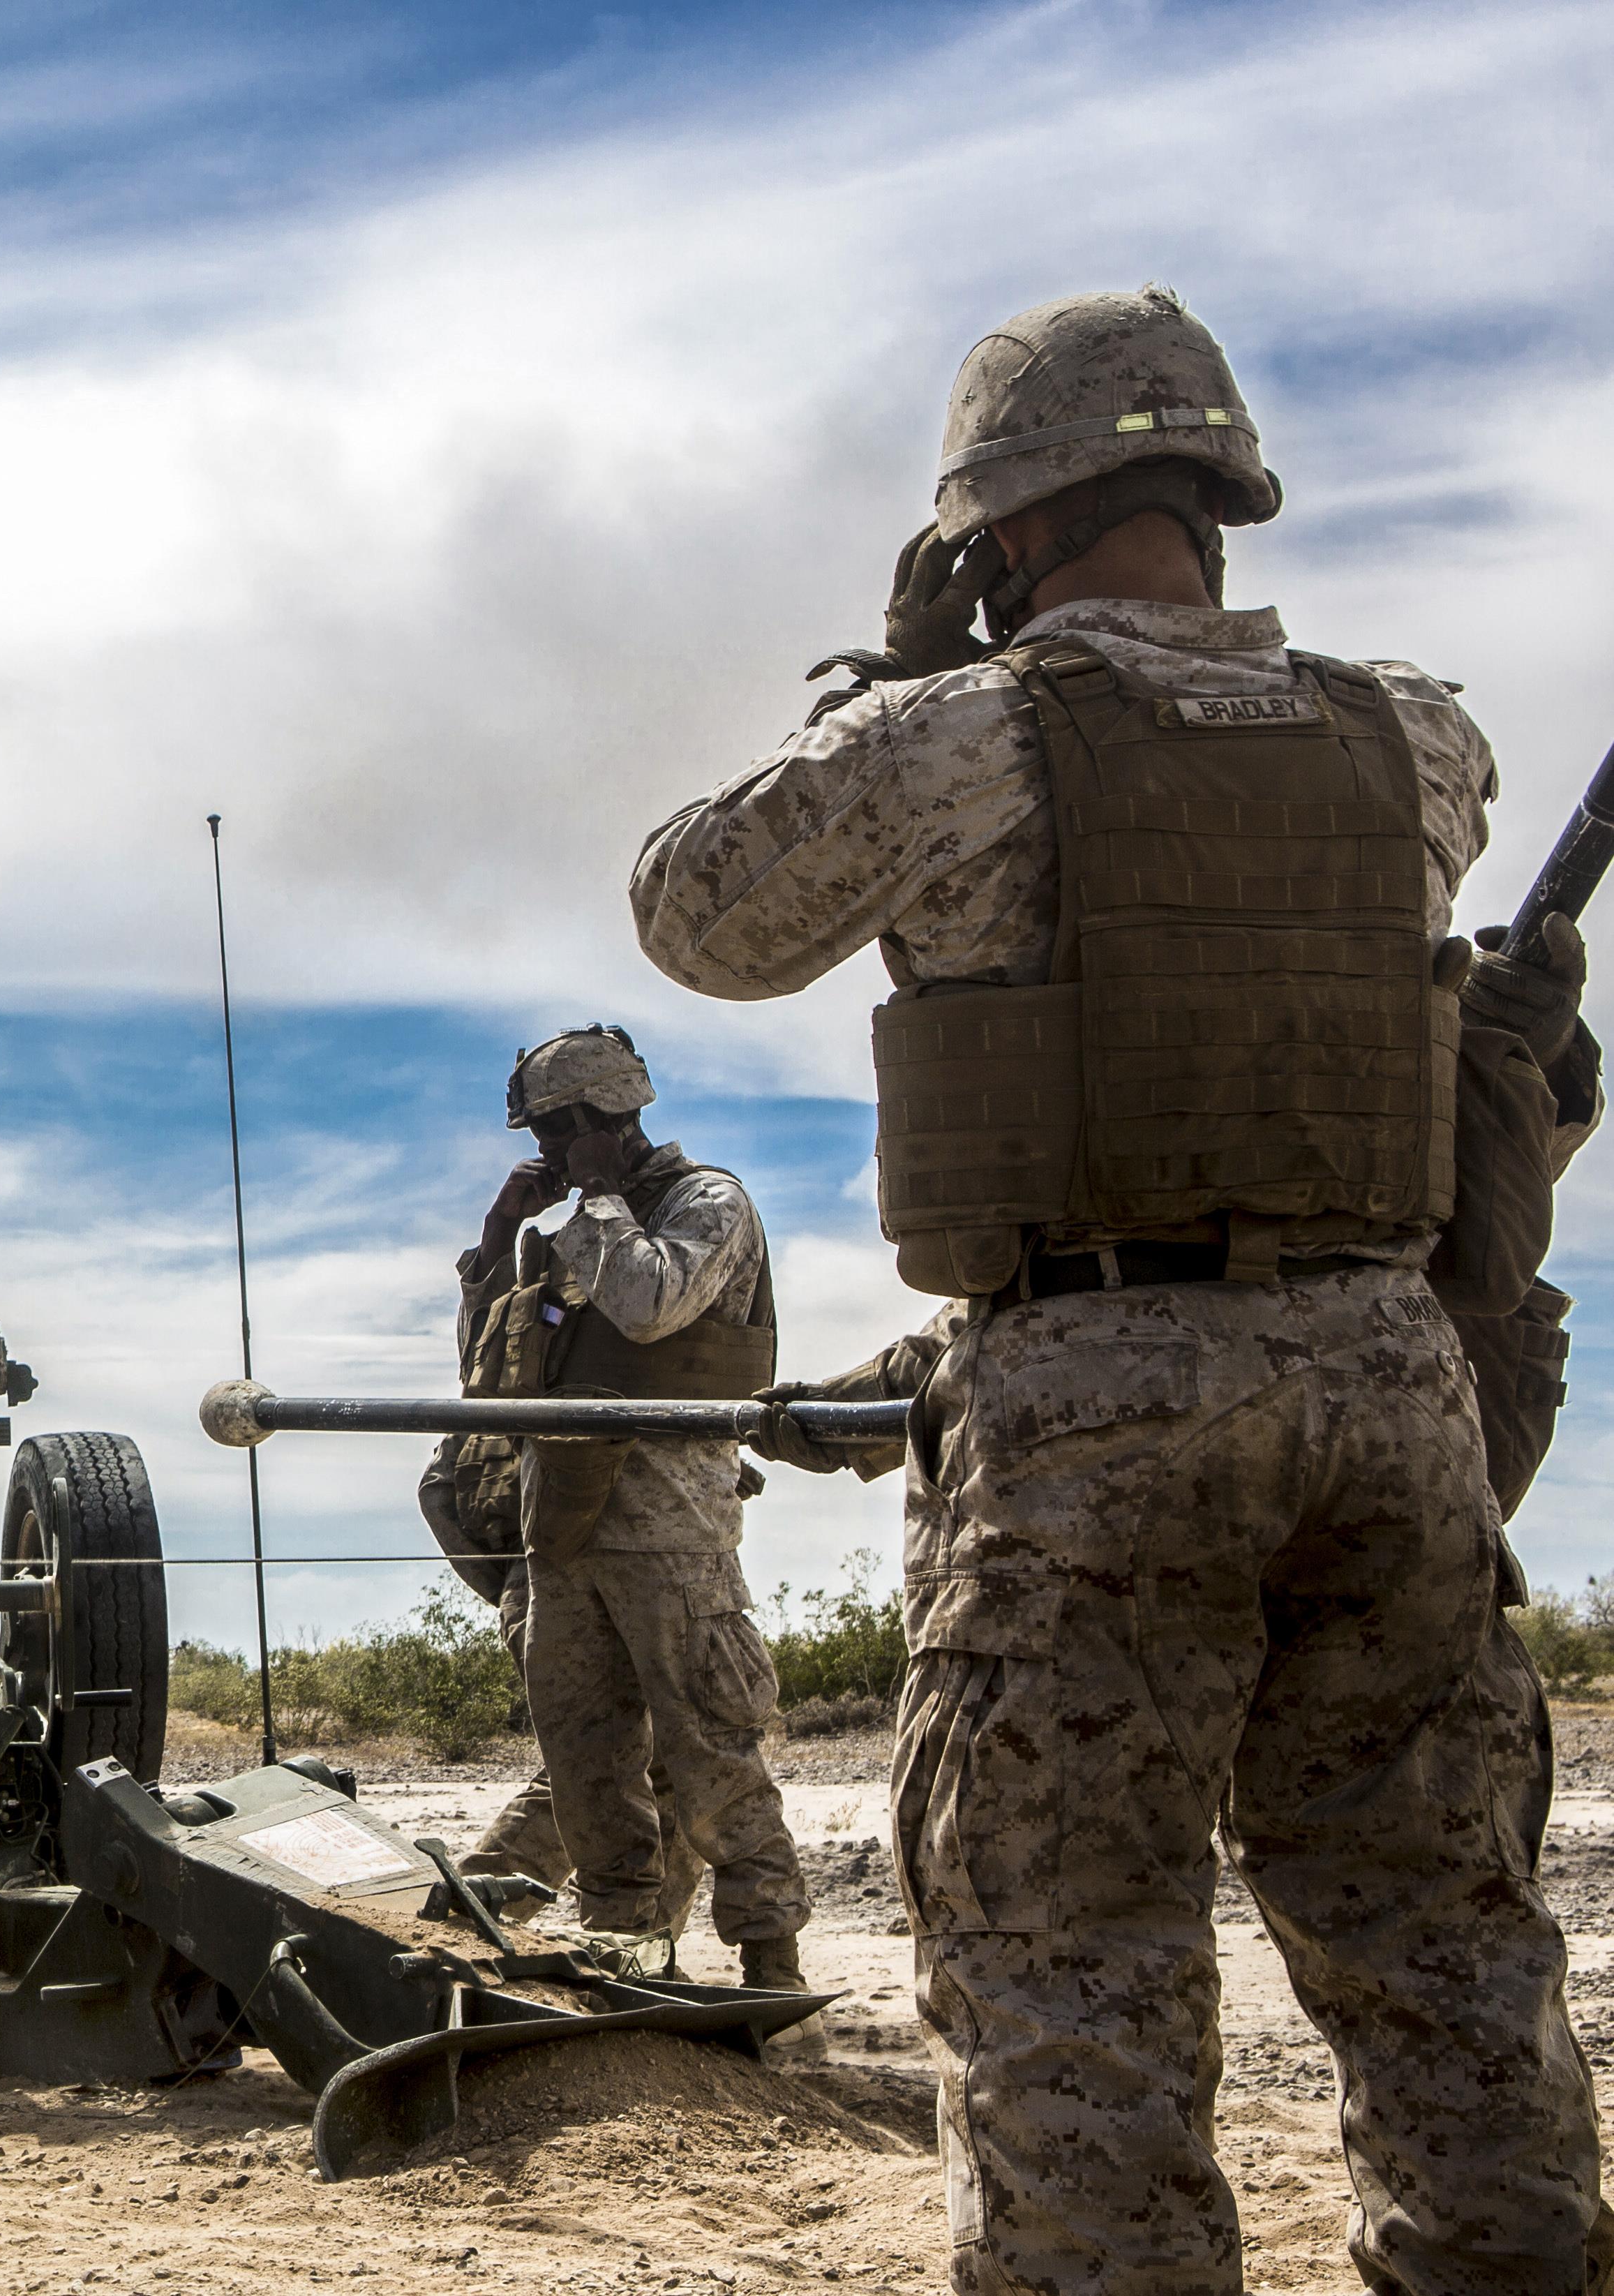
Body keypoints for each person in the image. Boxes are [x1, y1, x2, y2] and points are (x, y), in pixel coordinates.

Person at [632, 283, 1608, 2292]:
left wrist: (892, 678)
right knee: (1441, 1946)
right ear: (1215, 498)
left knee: (1065, 1958)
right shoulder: (1416, 736)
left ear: (993, 527)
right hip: (1389, 1384)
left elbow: (693, 917)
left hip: (1094, 1420)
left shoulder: (958, 737)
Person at [439, 1024, 809, 1988]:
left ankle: (770, 1963)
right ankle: (626, 1969)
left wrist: (598, 1194)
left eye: (558, 1135)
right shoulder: (563, 1235)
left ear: (601, 1120)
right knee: (589, 1771)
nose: (548, 1156)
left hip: (670, 1535)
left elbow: (652, 1305)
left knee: (711, 1756)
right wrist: (495, 1244)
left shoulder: (705, 1203)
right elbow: (486, 1381)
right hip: (561, 1531)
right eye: (543, 1140)